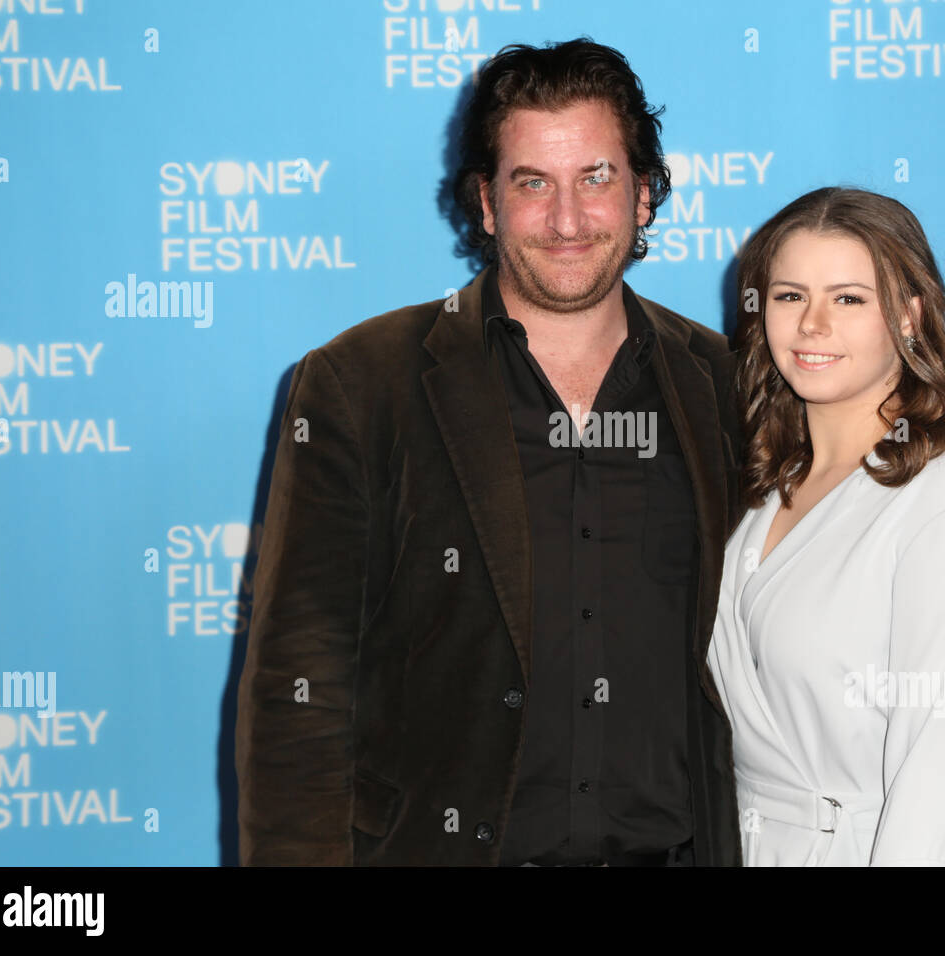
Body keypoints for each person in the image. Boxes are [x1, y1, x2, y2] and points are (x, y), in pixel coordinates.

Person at [234, 38, 745, 866]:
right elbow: (301, 689)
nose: (568, 220)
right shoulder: (362, 384)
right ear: (485, 202)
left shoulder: (723, 386)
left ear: (645, 195)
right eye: (532, 182)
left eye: (598, 178)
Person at [707, 186, 945, 866]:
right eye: (789, 295)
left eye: (849, 298)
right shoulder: (756, 494)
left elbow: (941, 779)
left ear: (910, 316)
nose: (812, 325)